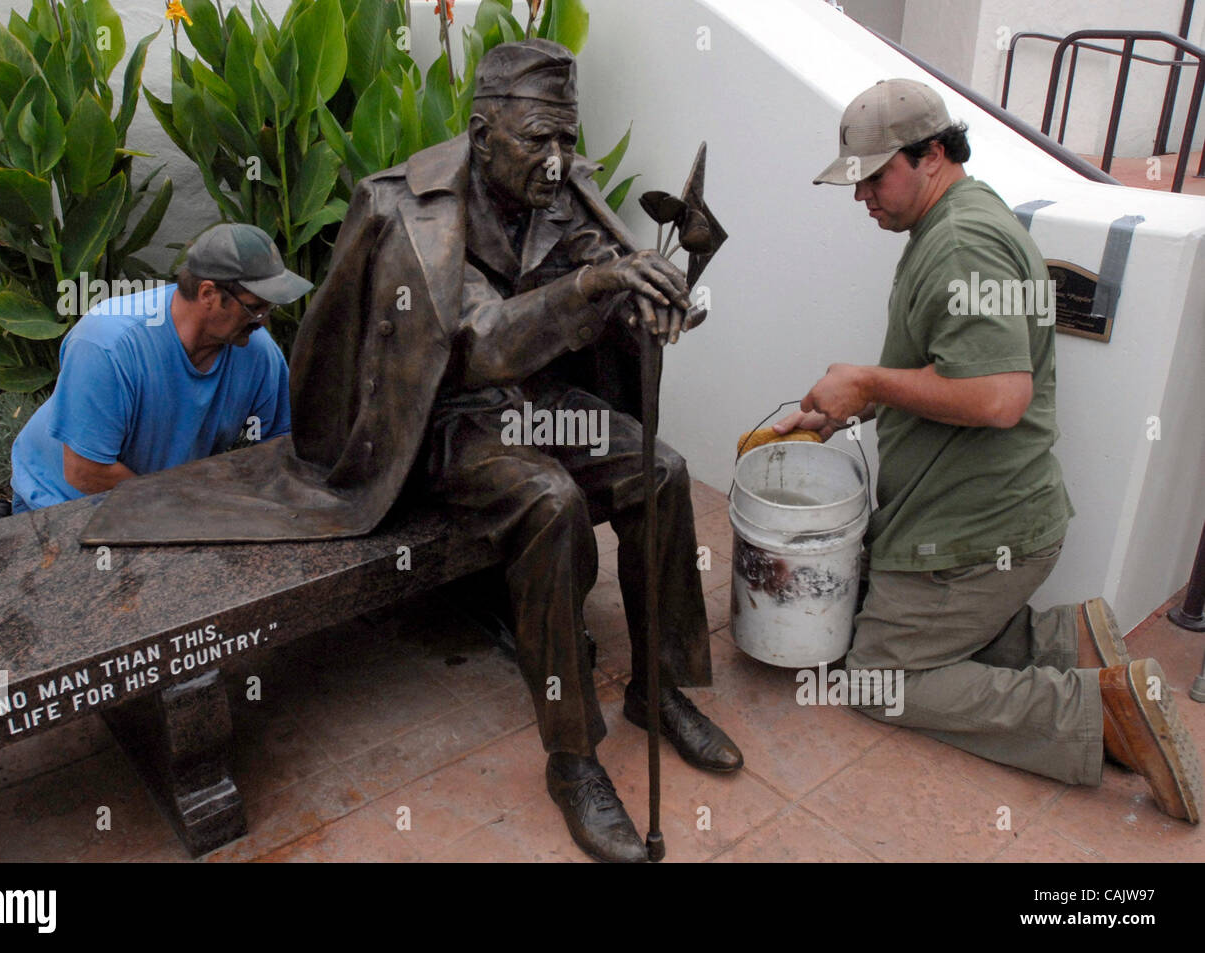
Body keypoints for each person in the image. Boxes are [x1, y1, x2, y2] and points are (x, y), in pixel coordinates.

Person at [289, 39, 742, 862]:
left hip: (535, 404)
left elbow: (600, 266)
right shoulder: (411, 209)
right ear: (482, 130)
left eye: (567, 138)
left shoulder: (559, 189)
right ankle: (572, 756)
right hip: (441, 415)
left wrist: (643, 299)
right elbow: (480, 341)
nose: (559, 159)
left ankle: (660, 686)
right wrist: (591, 290)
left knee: (662, 469)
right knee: (549, 502)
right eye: (539, 139)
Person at [772, 78, 1201, 823]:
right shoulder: (958, 222)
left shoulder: (963, 242)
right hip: (979, 516)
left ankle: (1090, 712)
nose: (862, 196)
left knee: (877, 676)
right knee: (874, 617)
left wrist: (868, 378)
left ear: (932, 154)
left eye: (875, 176)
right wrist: (846, 406)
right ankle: (1065, 639)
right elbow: (946, 371)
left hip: (977, 531)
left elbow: (1001, 396)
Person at [11, 224, 312, 512]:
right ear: (208, 294)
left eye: (269, 308)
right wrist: (189, 508)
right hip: (61, 498)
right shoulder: (108, 345)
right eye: (255, 308)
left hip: (161, 492)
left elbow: (280, 441)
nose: (264, 321)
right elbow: (85, 472)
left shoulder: (255, 349)